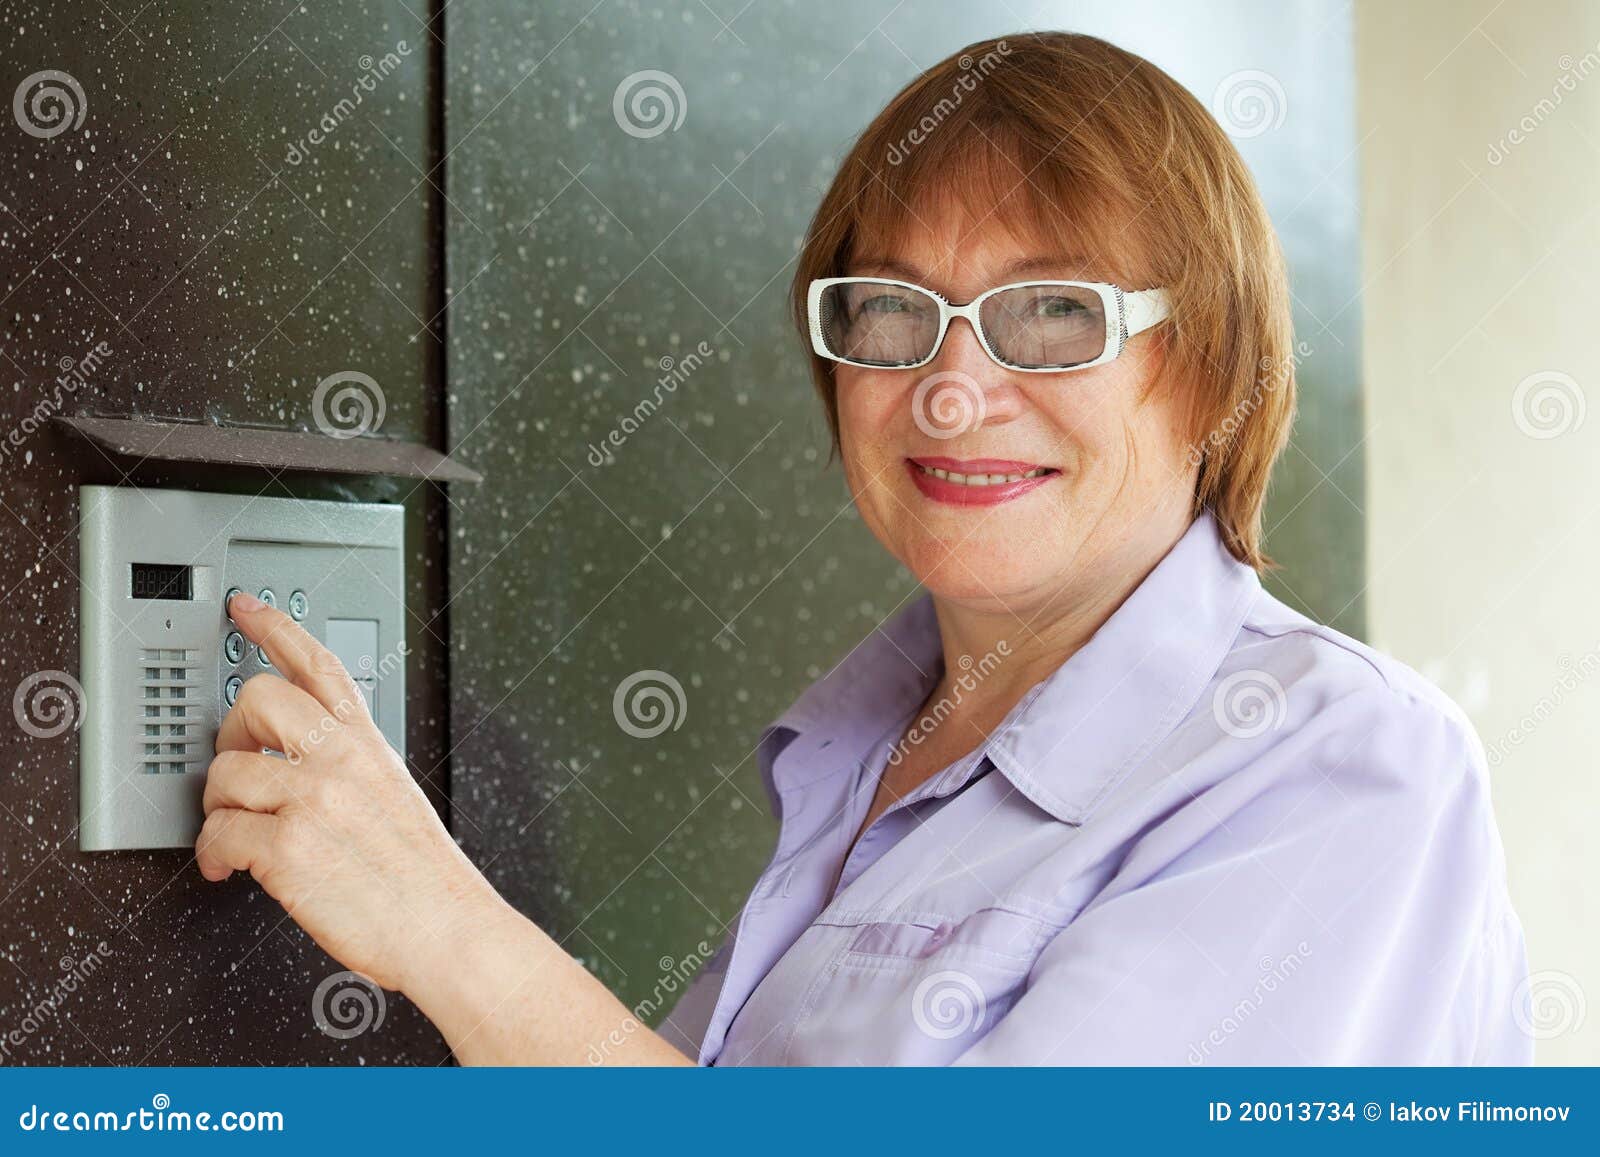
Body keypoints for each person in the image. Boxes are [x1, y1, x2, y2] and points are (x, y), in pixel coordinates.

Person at [197, 31, 1530, 1065]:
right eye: (892, 311)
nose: (951, 392)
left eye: (1054, 313)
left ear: (1213, 366)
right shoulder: (867, 754)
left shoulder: (1341, 764)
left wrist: (445, 929)